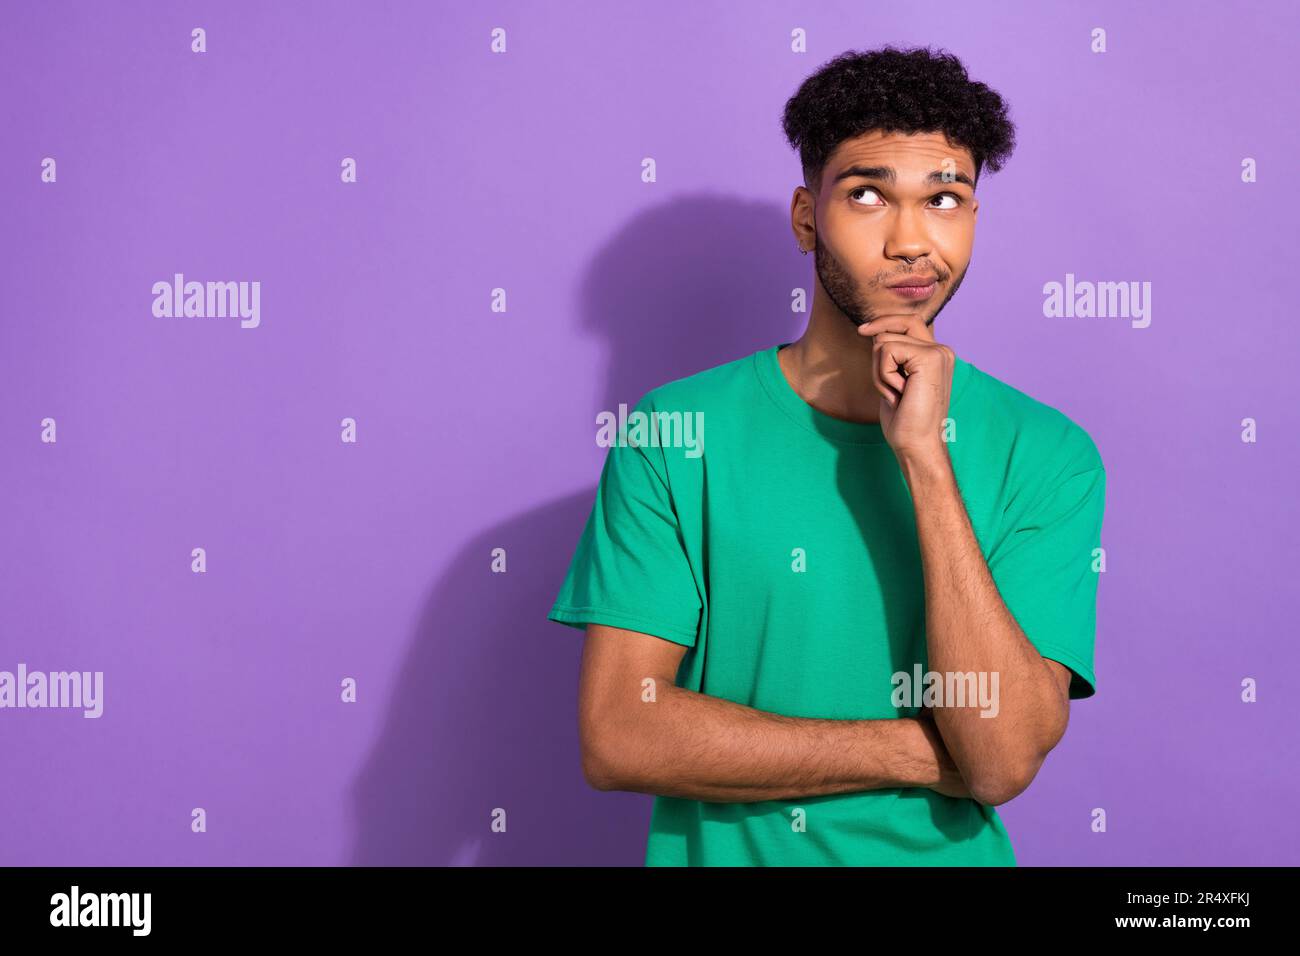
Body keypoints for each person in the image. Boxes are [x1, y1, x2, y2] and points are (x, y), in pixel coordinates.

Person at [547, 45, 1107, 866]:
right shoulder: (673, 430)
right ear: (808, 217)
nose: (912, 241)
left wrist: (924, 459)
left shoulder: (1049, 453)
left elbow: (1002, 757)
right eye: (869, 194)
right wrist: (918, 750)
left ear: (973, 217)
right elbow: (619, 734)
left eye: (945, 198)